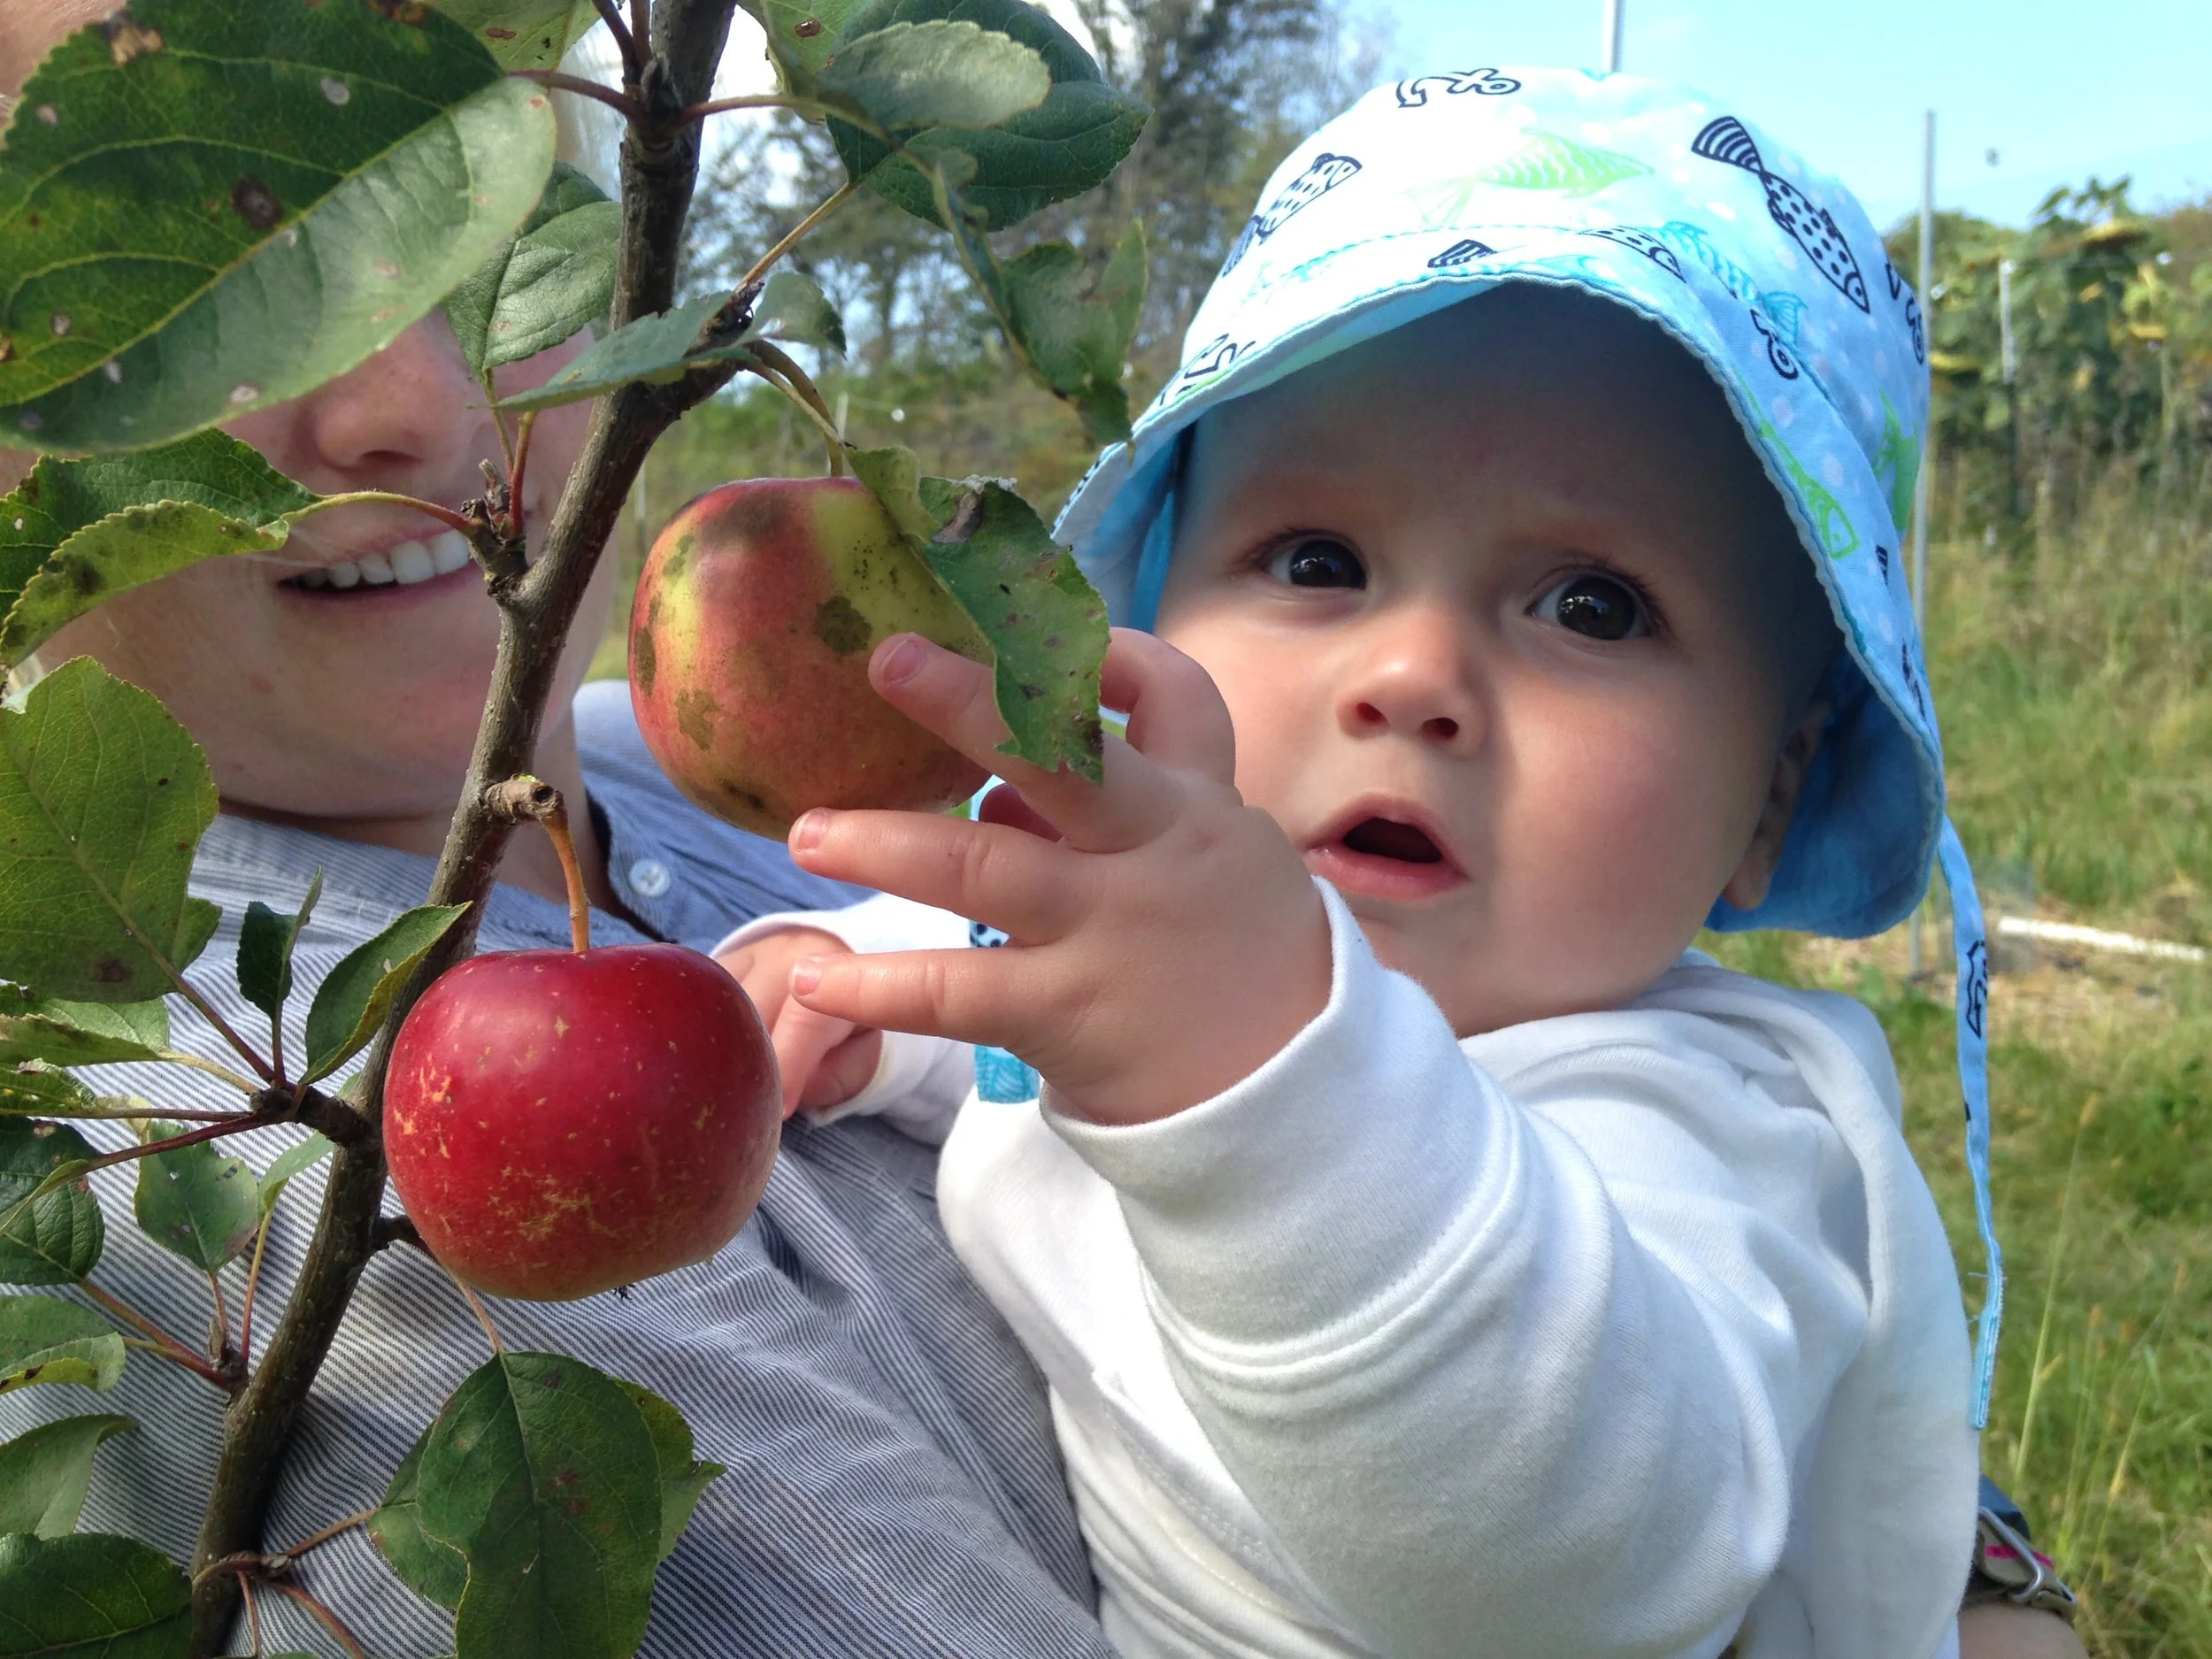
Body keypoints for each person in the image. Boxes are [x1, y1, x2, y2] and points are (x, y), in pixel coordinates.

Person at [720, 72, 2087, 1658]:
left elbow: (1575, 1578)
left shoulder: (1704, 1131)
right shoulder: (1150, 960)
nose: (1413, 672)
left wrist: (1256, 1081)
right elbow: (1017, 1003)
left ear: (1773, 800)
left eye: (1594, 606)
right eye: (1316, 562)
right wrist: (849, 992)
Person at [0, 7, 1117, 1654]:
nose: (411, 398)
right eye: (221, 269)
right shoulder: (265, 1156)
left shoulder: (727, 775)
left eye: (477, 217)